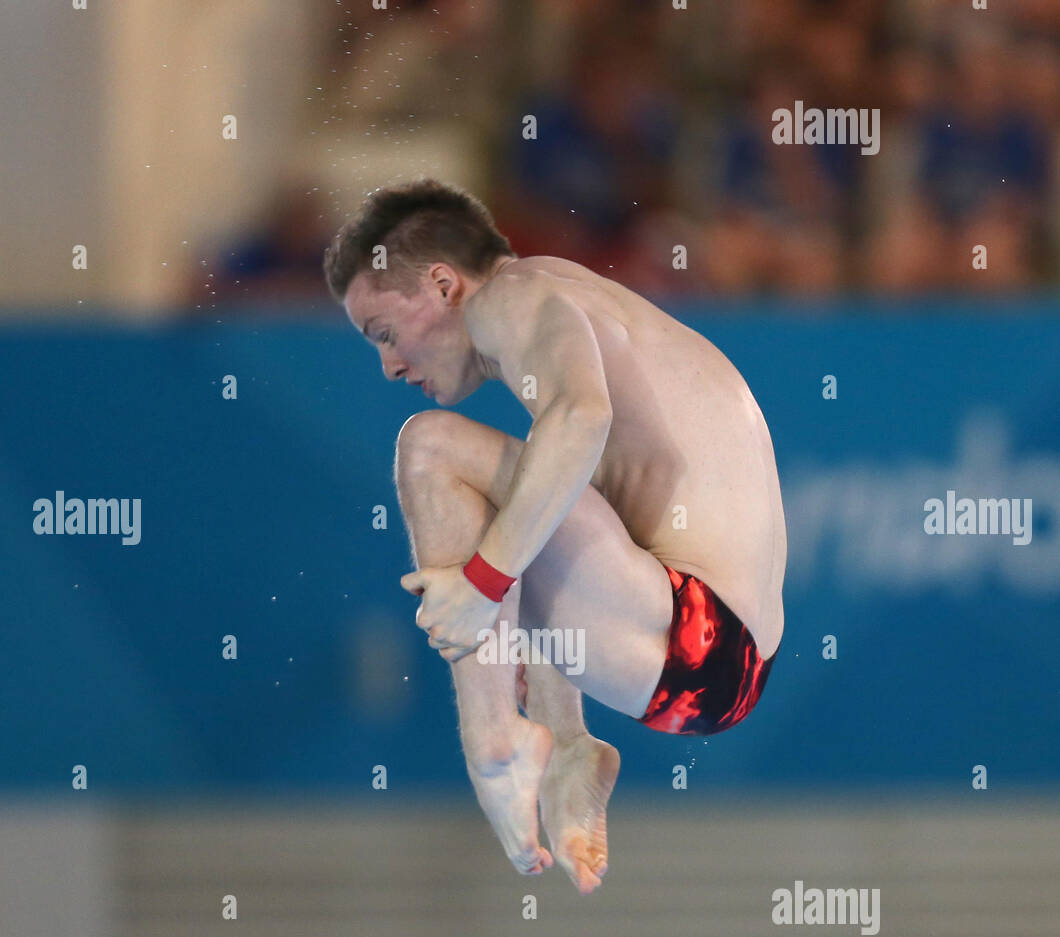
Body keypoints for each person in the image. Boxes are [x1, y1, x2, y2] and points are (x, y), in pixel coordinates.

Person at [324, 180, 786, 894]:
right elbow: (574, 495)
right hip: (713, 651)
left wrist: (481, 589)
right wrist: (539, 672)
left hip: (696, 634)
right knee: (528, 496)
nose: (389, 365)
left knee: (431, 450)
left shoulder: (511, 299)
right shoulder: (565, 302)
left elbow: (581, 420)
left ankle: (496, 745)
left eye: (384, 333)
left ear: (444, 285)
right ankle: (566, 747)